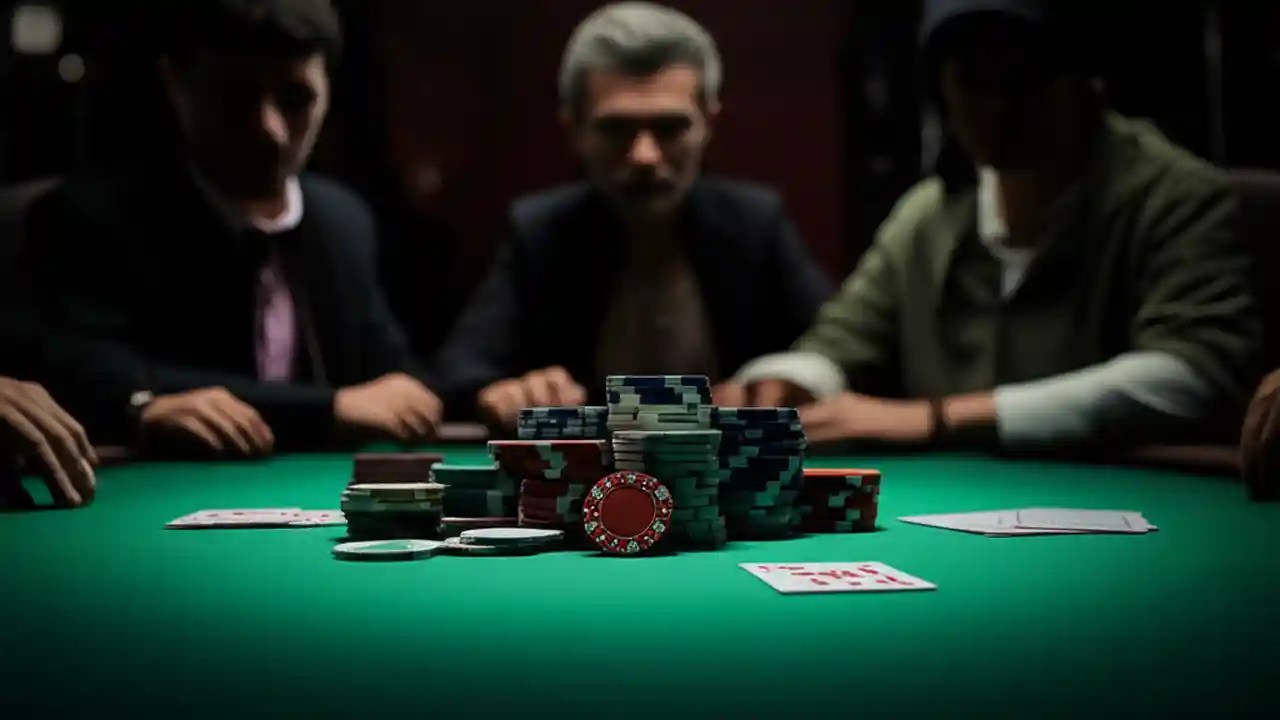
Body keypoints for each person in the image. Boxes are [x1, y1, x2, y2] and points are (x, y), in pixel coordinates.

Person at [722, 0, 1261, 452]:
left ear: (1083, 77)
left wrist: (938, 418)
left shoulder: (1175, 196)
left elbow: (1192, 374)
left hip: (1135, 495)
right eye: (973, 80)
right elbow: (843, 338)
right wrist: (789, 381)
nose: (999, 107)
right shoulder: (928, 214)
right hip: (950, 504)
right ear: (940, 89)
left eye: (1026, 77)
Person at [20, 0, 442, 455]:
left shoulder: (343, 220)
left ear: (329, 92)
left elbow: (395, 373)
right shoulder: (89, 215)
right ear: (176, 84)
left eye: (296, 99)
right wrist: (327, 408)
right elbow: (85, 368)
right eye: (236, 97)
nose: (269, 130)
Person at [431, 1, 832, 429]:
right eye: (616, 129)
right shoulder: (540, 231)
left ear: (708, 125)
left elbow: (835, 352)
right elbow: (460, 371)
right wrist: (502, 393)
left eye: (670, 128)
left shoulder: (754, 224)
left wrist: (785, 380)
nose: (644, 156)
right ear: (573, 128)